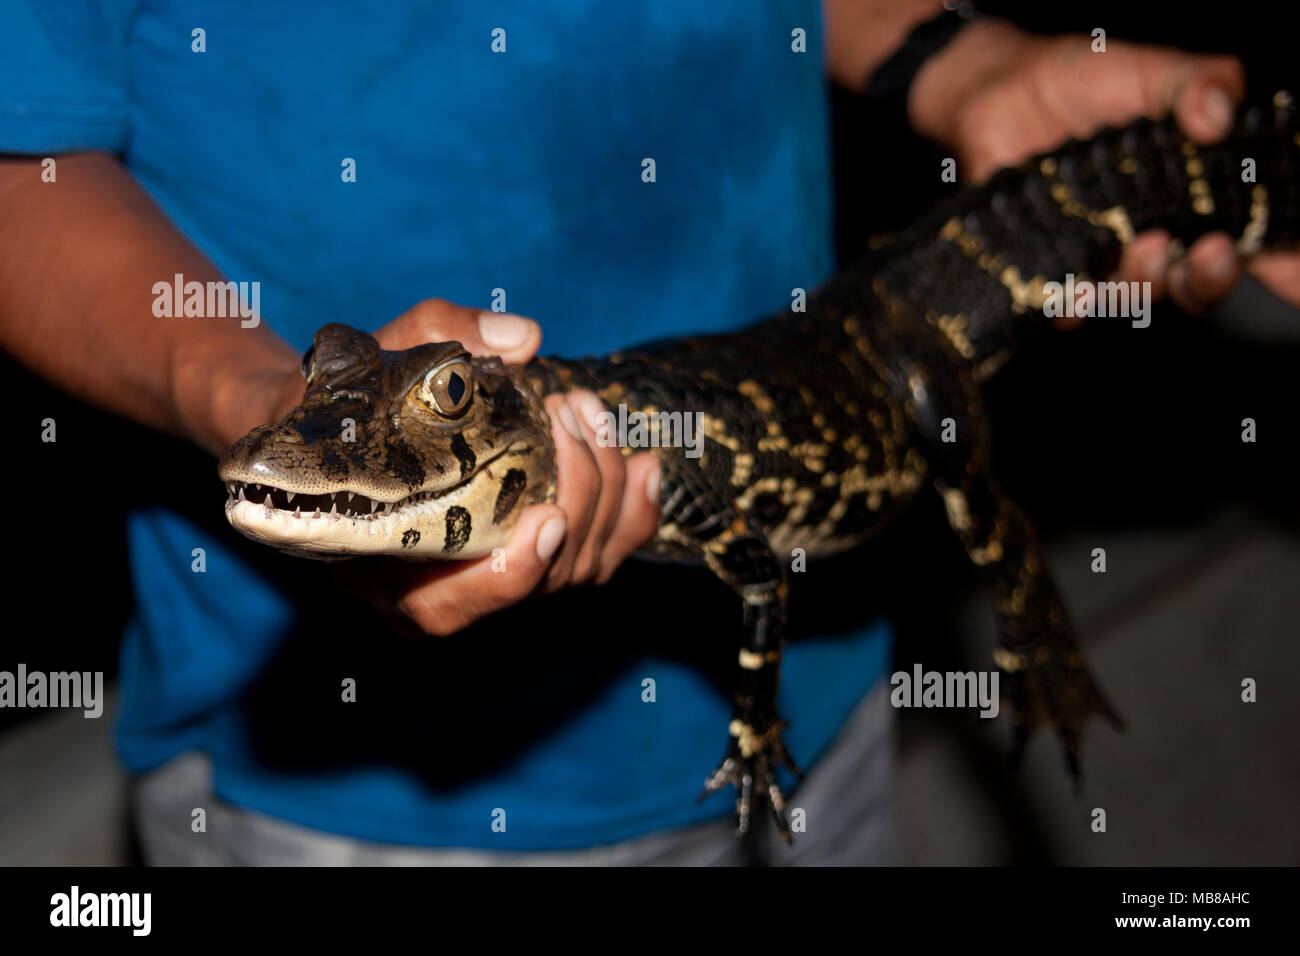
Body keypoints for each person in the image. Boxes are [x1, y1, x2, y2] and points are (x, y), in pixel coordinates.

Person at [1, 0, 1295, 865]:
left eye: (447, 397)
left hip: (831, 702)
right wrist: (242, 389)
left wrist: (948, 56)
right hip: (360, 820)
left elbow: (757, 565)